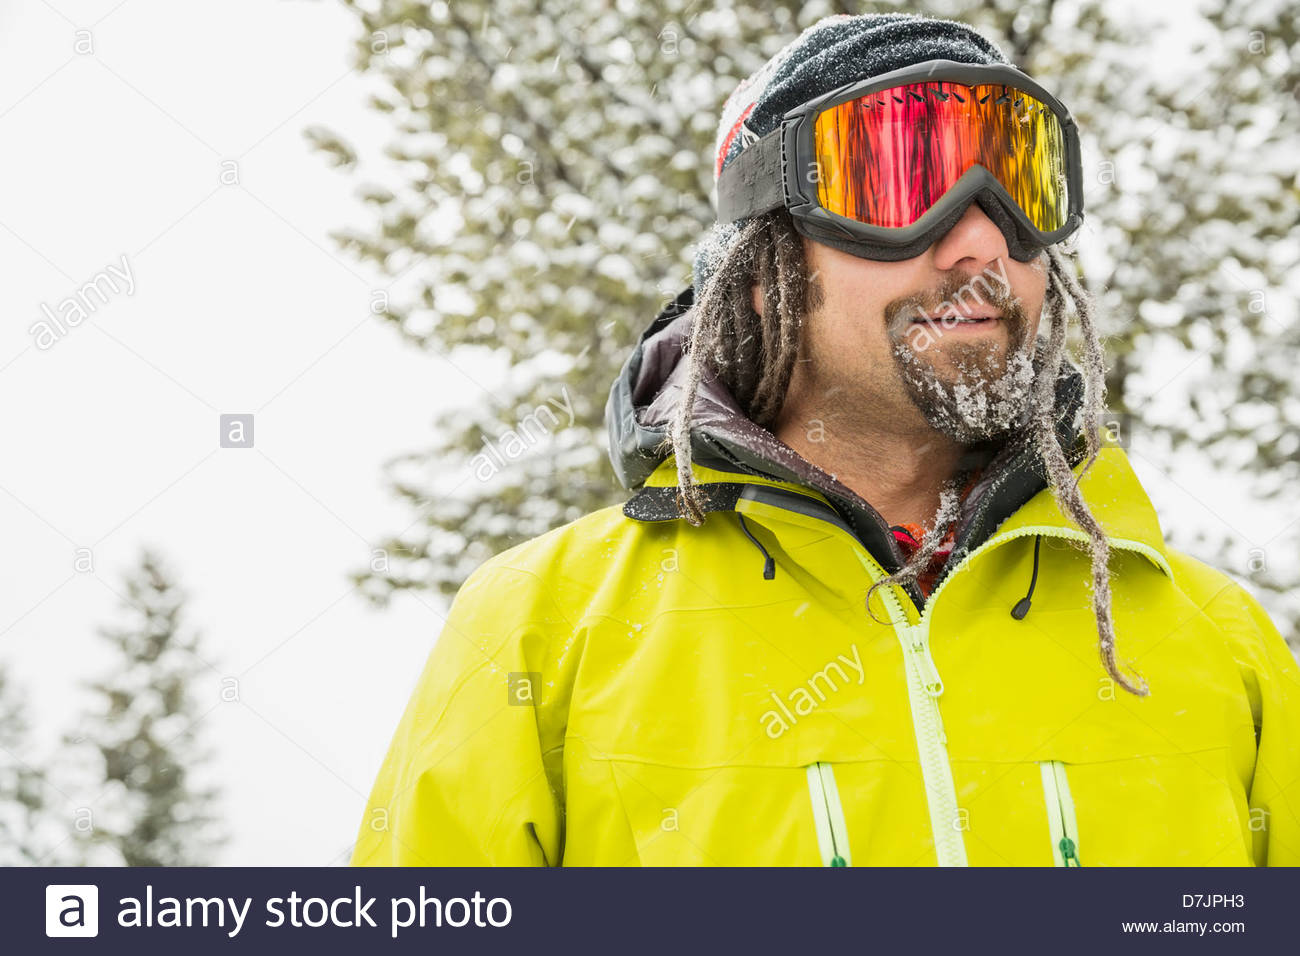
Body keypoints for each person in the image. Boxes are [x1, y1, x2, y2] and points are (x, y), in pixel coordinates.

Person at [352, 12, 1299, 867]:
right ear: (763, 269)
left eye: (1017, 184)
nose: (980, 242)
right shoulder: (542, 635)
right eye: (897, 180)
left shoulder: (1222, 644)